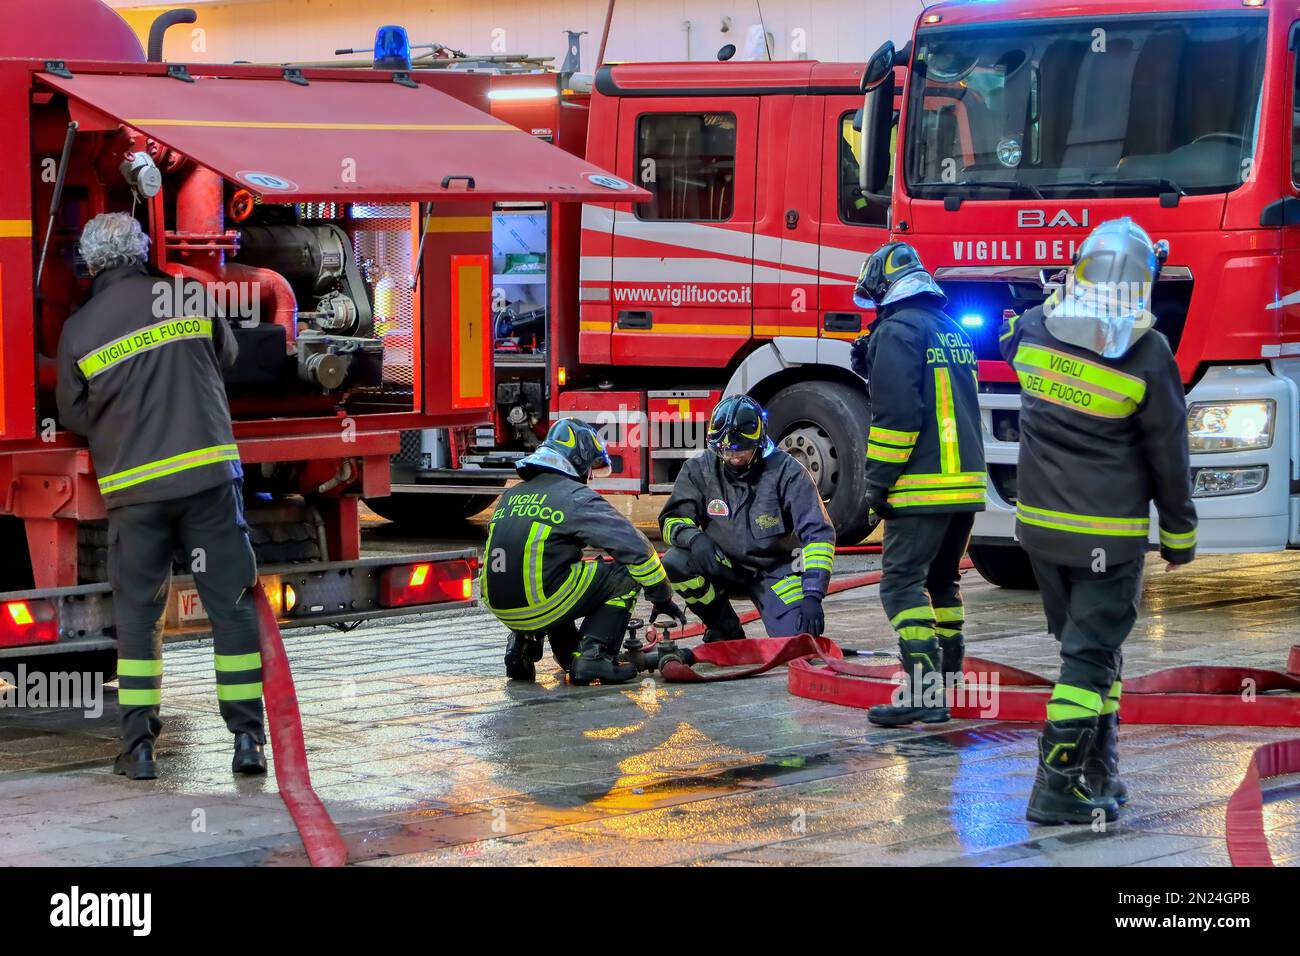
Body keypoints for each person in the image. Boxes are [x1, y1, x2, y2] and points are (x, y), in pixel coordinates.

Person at [999, 217, 1196, 825]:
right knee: (1086, 661)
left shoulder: (1032, 328)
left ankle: (1097, 770)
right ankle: (1055, 784)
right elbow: (1169, 450)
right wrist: (1179, 534)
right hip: (1106, 539)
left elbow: (1013, 340)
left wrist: (1057, 293)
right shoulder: (1148, 351)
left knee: (1091, 652)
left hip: (1039, 533)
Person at [56, 212, 263, 781]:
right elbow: (226, 358)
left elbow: (73, 413)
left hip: (136, 492)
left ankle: (140, 750)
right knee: (232, 608)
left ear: (91, 264)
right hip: (211, 482)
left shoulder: (80, 328)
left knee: (139, 618)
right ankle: (247, 741)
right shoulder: (187, 295)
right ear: (143, 250)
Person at [849, 242, 985, 728]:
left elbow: (897, 419)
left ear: (885, 287)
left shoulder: (896, 331)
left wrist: (875, 486)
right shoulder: (948, 329)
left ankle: (924, 694)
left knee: (901, 586)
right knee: (942, 582)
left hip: (920, 487)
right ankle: (948, 684)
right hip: (964, 486)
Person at [481, 419, 684, 685]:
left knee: (557, 570)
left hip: (500, 605)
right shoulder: (573, 496)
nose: (589, 477)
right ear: (578, 461)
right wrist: (661, 594)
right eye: (589, 468)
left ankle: (521, 647)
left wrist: (567, 652)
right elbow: (636, 547)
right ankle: (594, 657)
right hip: (540, 603)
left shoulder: (513, 495)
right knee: (625, 573)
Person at [658, 396, 835, 641]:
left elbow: (818, 535)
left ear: (759, 443)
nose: (733, 457)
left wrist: (813, 594)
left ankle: (791, 623)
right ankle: (724, 627)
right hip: (723, 565)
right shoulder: (700, 469)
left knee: (798, 643)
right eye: (726, 450)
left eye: (741, 450)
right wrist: (695, 539)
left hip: (775, 572)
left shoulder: (788, 472)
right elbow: (671, 520)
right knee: (676, 561)